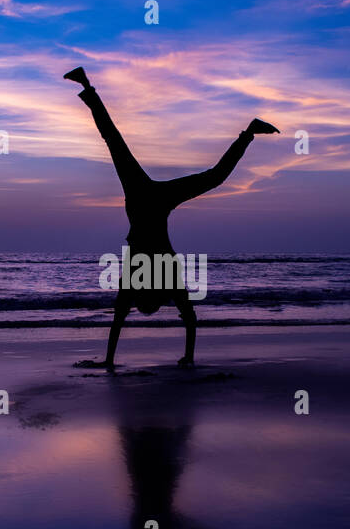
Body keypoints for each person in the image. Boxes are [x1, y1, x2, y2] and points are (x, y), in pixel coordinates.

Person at [65, 66, 278, 367]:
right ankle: (87, 85)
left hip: (146, 196)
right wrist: (186, 358)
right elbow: (181, 320)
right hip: (147, 197)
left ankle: (249, 133)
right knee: (116, 142)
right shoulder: (151, 279)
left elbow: (183, 320)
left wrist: (184, 357)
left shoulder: (157, 279)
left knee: (120, 144)